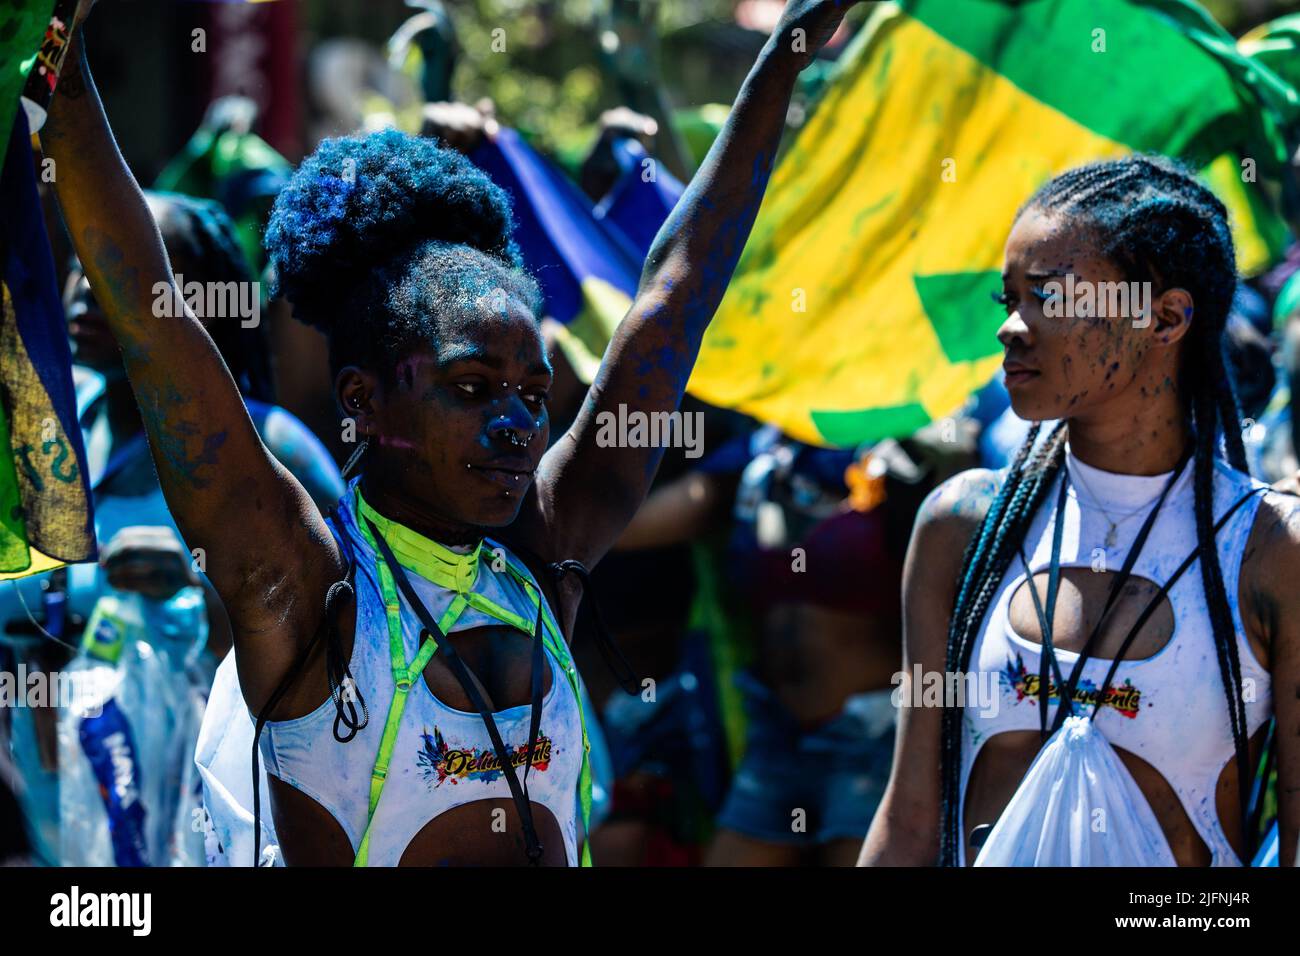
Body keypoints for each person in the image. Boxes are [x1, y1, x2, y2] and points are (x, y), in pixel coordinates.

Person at [43, 0, 864, 866]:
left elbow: (675, 297)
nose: (516, 425)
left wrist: (784, 54)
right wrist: (59, 56)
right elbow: (150, 315)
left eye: (533, 394)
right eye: (473, 388)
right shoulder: (306, 582)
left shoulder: (542, 554)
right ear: (362, 400)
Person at [859, 155, 1300, 867]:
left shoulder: (1270, 550)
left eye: (1049, 298)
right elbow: (910, 815)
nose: (1012, 329)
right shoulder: (961, 526)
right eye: (1010, 301)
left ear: (1165, 318)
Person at [0, 189, 342, 865]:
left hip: (207, 833)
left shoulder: (271, 451)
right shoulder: (42, 427)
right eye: (84, 261)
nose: (89, 286)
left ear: (202, 307)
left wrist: (205, 601)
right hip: (53, 829)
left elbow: (346, 642)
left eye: (126, 265)